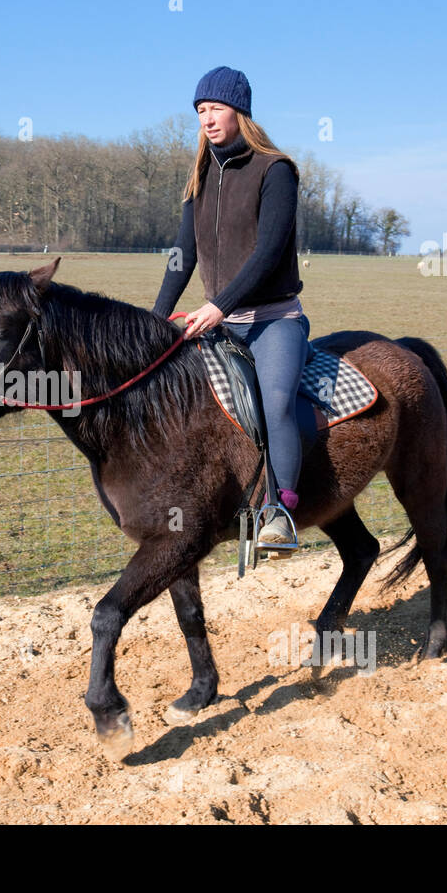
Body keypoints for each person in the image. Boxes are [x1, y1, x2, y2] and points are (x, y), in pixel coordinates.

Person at [151, 66, 309, 547]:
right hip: (216, 321)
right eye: (200, 111)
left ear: (240, 111)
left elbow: (267, 253)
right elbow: (183, 255)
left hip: (272, 322)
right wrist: (156, 321)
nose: (207, 119)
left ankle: (279, 512)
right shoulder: (199, 176)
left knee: (276, 404)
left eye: (216, 108)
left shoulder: (275, 170)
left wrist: (219, 305)